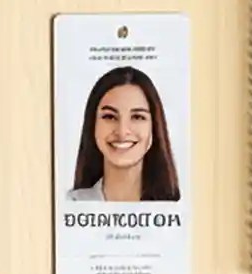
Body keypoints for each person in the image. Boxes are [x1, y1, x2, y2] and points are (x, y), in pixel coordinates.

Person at [68, 66, 181, 202]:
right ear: (92, 124)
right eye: (109, 117)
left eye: (137, 117)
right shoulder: (71, 204)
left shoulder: (175, 210)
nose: (122, 132)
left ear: (155, 126)